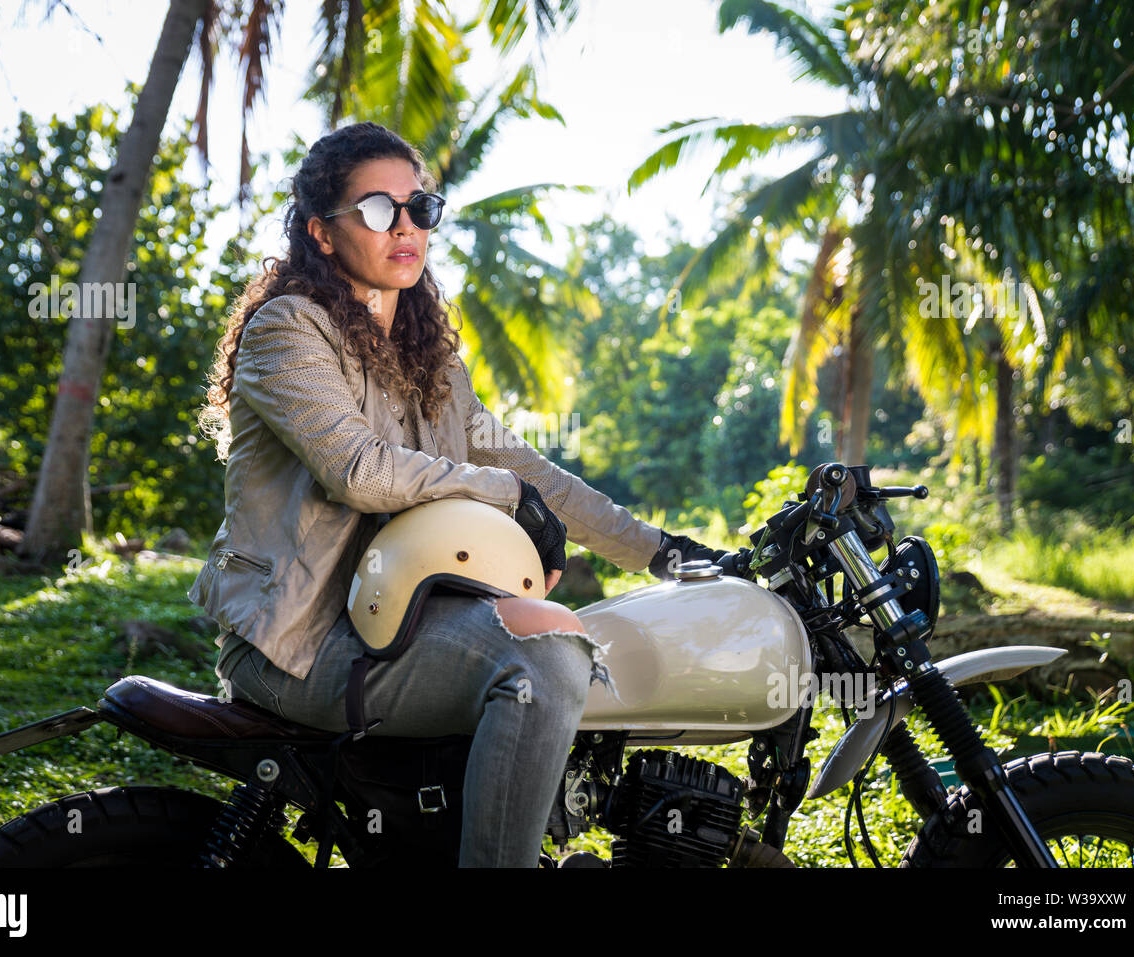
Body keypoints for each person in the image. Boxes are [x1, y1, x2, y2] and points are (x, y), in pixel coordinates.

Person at [190, 121, 731, 867]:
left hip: (399, 622)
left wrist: (663, 551)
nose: (406, 226)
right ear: (321, 231)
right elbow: (361, 470)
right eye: (379, 210)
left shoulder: (430, 363)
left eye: (420, 208)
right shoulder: (288, 331)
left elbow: (535, 473)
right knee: (543, 658)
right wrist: (504, 493)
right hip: (301, 642)